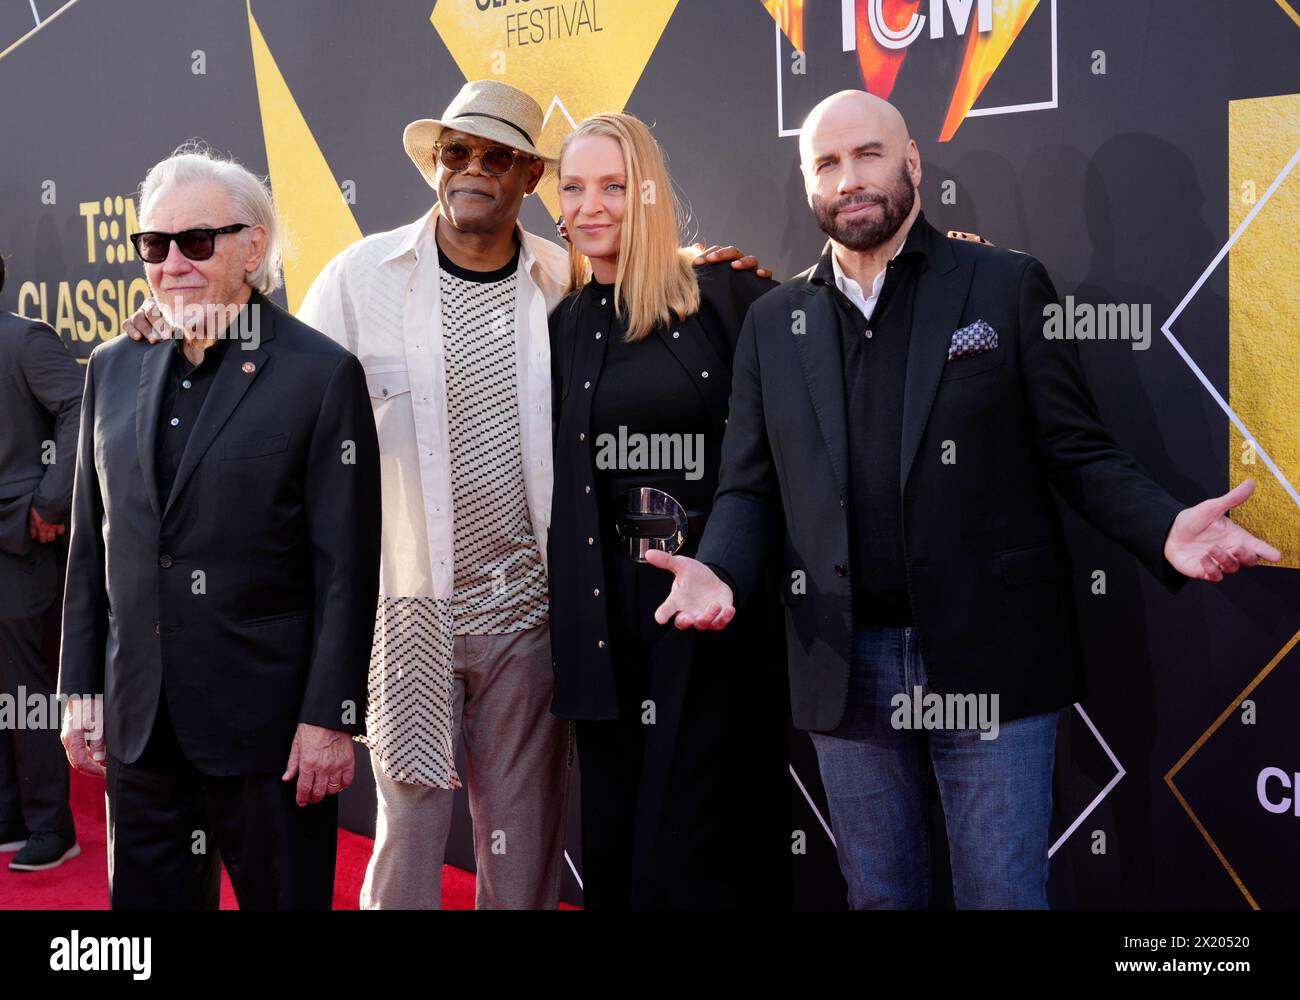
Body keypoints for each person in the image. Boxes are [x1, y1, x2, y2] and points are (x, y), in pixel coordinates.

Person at [647, 90, 1283, 909]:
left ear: (911, 163)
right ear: (808, 184)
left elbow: (1077, 451)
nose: (851, 179)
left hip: (991, 651)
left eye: (869, 155)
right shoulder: (775, 323)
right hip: (846, 665)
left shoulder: (1005, 287)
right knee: (881, 898)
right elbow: (749, 485)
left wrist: (1162, 527)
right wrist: (721, 569)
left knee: (1002, 896)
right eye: (828, 164)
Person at [58, 146, 382, 909]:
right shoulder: (112, 366)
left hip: (268, 736)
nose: (171, 263)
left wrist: (329, 719)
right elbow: (89, 545)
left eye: (195, 242)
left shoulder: (319, 374)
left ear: (252, 246)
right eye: (153, 245)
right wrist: (80, 689)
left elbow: (347, 567)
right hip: (142, 729)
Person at [548, 112, 789, 908]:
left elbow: (842, 336)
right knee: (616, 851)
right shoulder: (561, 325)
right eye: (574, 187)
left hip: (706, 620)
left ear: (647, 191)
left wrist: (941, 264)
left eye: (613, 186)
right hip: (601, 625)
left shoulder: (725, 294)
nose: (591, 207)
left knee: (689, 854)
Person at [0, 254, 84, 871]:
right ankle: (9, 815)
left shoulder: (25, 337)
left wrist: (50, 499)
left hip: (22, 539)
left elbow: (79, 409)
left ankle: (53, 826)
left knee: (30, 688)